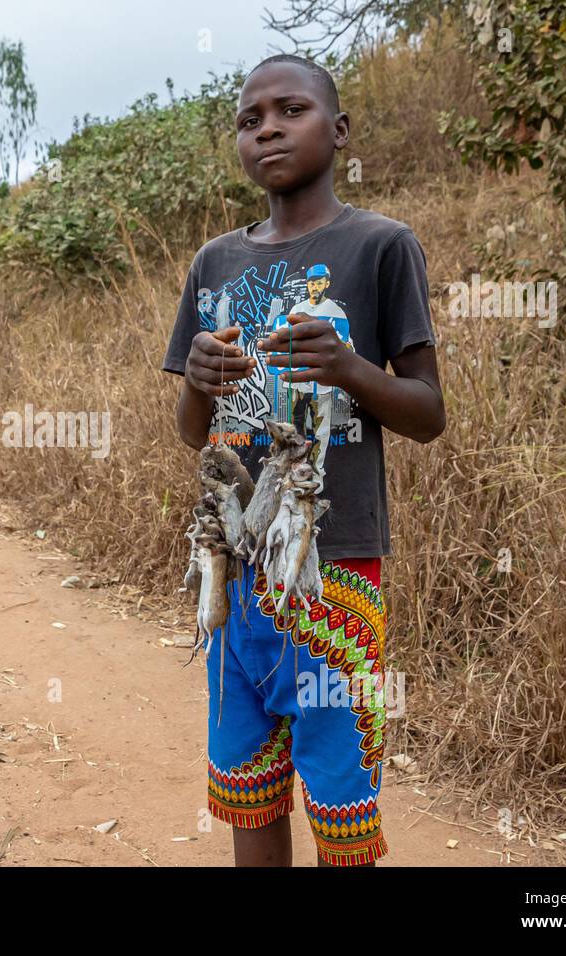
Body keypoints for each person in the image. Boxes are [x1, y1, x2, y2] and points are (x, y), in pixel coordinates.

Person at [161, 54, 445, 867]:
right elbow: (192, 429)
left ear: (340, 129)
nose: (268, 129)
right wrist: (200, 385)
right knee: (249, 780)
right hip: (232, 562)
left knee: (339, 794)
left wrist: (349, 367)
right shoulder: (215, 264)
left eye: (291, 110)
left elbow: (429, 412)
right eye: (250, 120)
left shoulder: (381, 246)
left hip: (337, 561)